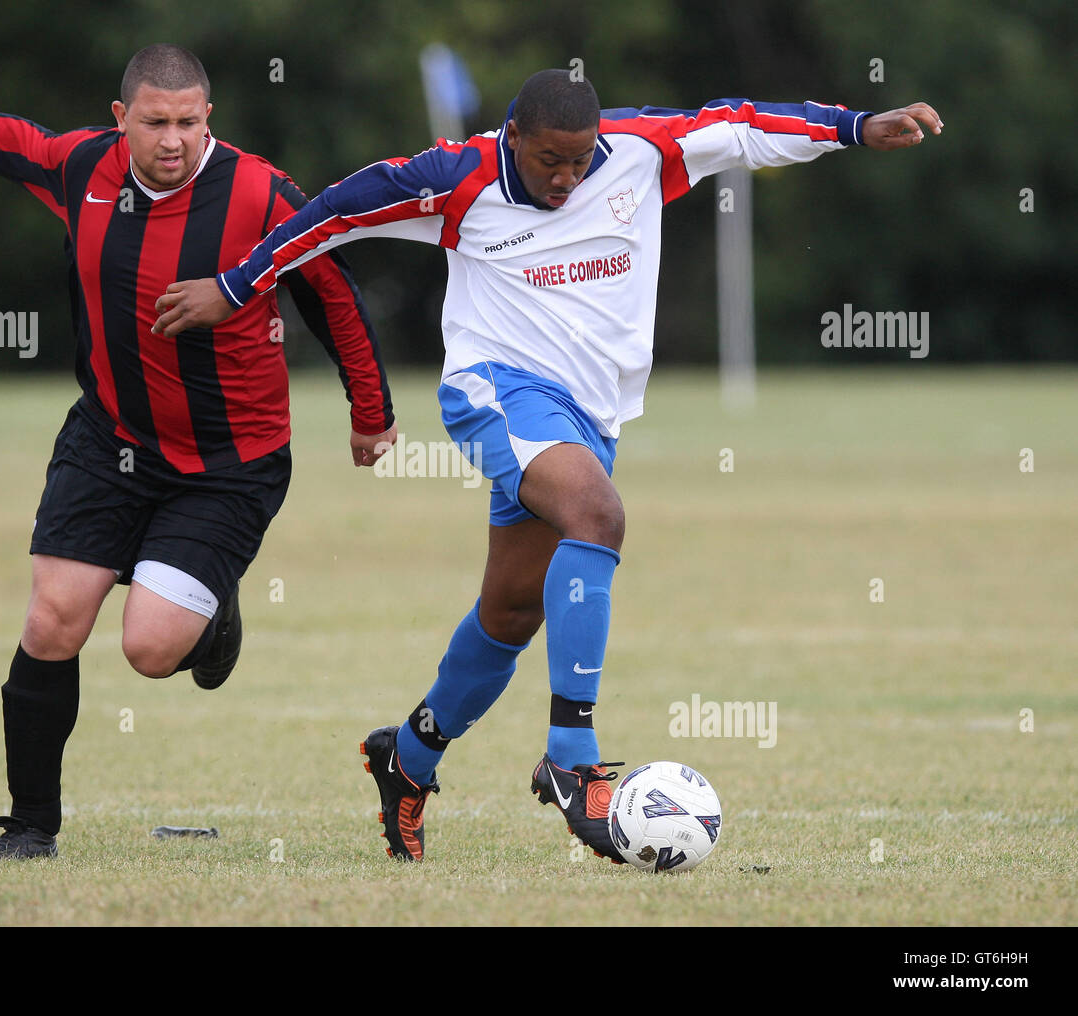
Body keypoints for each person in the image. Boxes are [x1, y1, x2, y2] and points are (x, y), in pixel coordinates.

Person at [151, 69, 941, 862]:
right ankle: (572, 761)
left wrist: (855, 125)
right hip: (495, 392)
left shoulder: (637, 152)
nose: (567, 177)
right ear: (513, 138)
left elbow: (738, 125)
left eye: (579, 160)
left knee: (510, 615)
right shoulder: (455, 179)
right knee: (599, 516)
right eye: (549, 162)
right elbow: (333, 212)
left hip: (590, 416)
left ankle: (407, 758)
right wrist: (236, 284)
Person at [0, 44, 396, 861]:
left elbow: (333, 292)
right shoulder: (83, 168)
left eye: (189, 122)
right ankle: (31, 825)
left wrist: (372, 411)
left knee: (150, 649)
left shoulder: (260, 193)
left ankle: (206, 608)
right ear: (122, 121)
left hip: (230, 463)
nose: (174, 140)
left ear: (208, 118)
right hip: (109, 438)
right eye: (156, 122)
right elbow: (4, 140)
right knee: (52, 620)